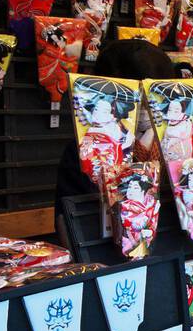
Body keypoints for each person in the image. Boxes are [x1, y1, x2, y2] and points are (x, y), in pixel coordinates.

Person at [54, 39, 176, 231]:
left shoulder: (184, 140)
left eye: (156, 96)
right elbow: (72, 225)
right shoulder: (85, 149)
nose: (146, 107)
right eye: (137, 98)